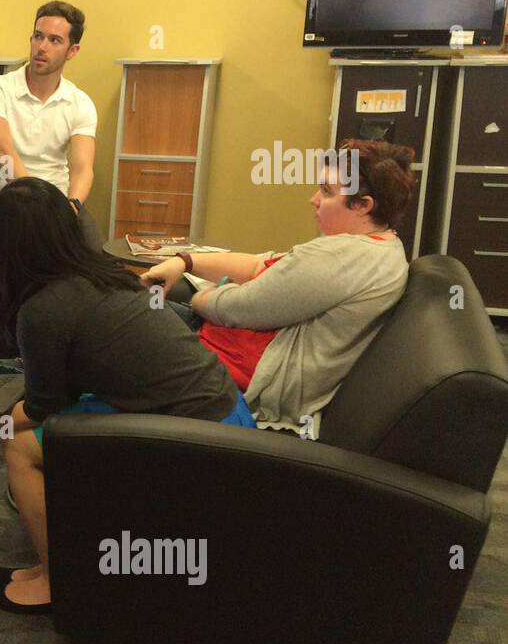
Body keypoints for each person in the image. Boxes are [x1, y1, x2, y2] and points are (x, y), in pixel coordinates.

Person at [0, 179, 254, 614]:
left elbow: (43, 407)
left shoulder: (42, 308)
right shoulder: (106, 275)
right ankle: (56, 560)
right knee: (41, 425)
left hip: (198, 438)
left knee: (18, 443)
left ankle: (56, 580)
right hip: (226, 413)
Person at [143, 140, 415, 438]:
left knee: (122, 321)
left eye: (326, 192)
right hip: (221, 342)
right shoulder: (377, 246)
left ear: (363, 206)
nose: (314, 199)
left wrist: (201, 296)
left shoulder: (339, 258)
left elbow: (236, 309)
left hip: (232, 378)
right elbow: (259, 263)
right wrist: (184, 262)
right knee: (129, 309)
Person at [0, 1, 97, 207]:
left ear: (72, 51)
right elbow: (2, 153)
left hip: (58, 207)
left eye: (54, 40)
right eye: (38, 36)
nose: (42, 47)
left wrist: (72, 207)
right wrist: (36, 206)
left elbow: (82, 169)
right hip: (9, 205)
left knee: (96, 239)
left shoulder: (80, 102)